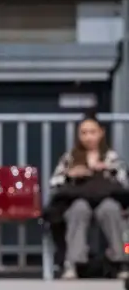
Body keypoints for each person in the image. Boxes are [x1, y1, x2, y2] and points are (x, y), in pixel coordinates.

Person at [49, 114, 129, 279]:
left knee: (110, 209)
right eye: (84, 133)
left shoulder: (111, 157)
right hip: (78, 199)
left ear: (101, 133)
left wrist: (106, 169)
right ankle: (73, 263)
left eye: (92, 132)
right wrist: (70, 175)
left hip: (105, 199)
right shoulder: (70, 158)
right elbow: (54, 183)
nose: (88, 137)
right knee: (79, 209)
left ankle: (120, 261)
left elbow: (123, 183)